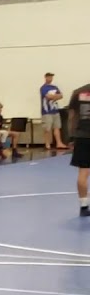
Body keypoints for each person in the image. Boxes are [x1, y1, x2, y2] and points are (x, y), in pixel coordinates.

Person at [68, 83, 90, 216]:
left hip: (82, 136)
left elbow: (71, 117)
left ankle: (83, 205)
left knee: (83, 171)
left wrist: (71, 136)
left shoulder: (78, 92)